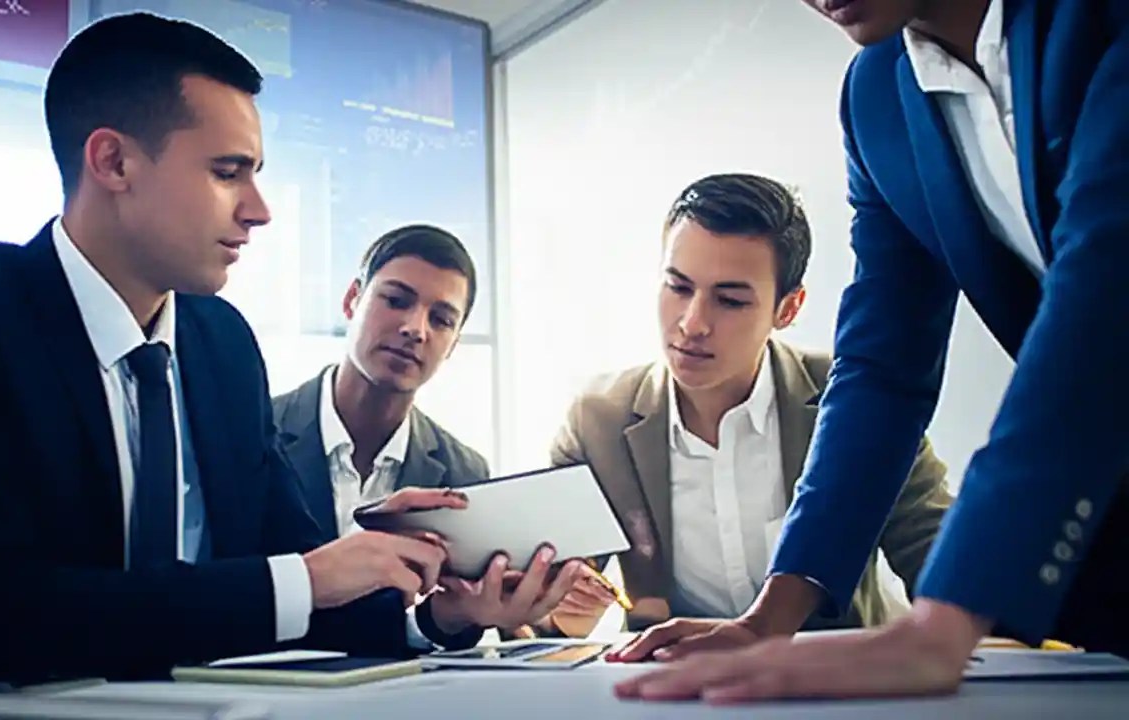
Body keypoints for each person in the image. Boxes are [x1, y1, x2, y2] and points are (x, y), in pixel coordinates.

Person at [0, 12, 473, 689]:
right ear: (113, 161)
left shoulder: (223, 345)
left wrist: (433, 611)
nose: (259, 209)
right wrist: (307, 576)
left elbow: (293, 594)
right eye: (227, 172)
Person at [616, 0, 1129, 703]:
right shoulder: (875, 94)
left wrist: (943, 624)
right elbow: (883, 369)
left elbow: (1106, 293)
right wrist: (772, 617)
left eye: (731, 298)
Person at [546, 174, 950, 643]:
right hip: (673, 686)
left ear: (788, 308)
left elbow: (939, 560)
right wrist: (563, 610)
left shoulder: (853, 400)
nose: (693, 323)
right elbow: (548, 602)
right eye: (678, 287)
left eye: (730, 300)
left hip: (833, 688)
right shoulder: (597, 421)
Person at [272, 224, 587, 640]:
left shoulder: (463, 473)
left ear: (454, 343)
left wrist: (464, 615)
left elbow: (439, 622)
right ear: (352, 300)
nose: (415, 329)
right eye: (396, 300)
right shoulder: (256, 429)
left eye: (441, 319)